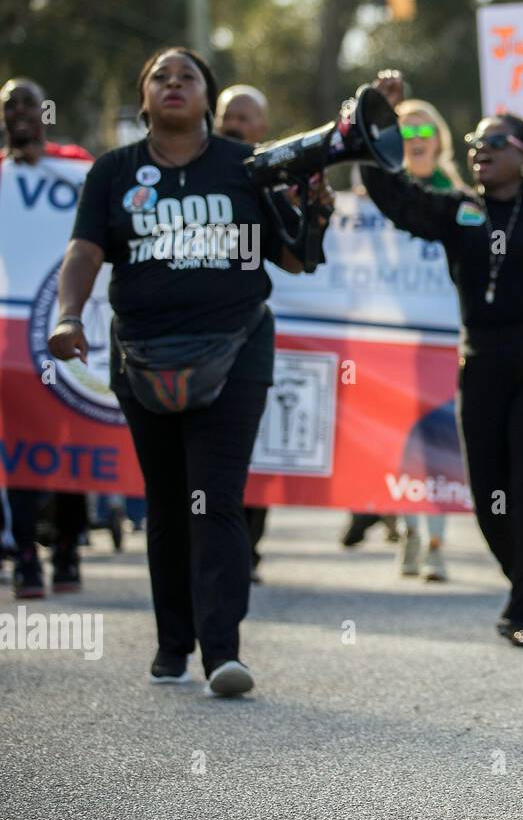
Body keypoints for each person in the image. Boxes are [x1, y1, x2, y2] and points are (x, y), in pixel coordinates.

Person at [48, 46, 332, 696]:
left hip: (236, 351)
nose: (174, 84)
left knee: (216, 496)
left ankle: (221, 653)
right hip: (142, 356)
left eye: (188, 77)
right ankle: (172, 642)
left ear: (209, 97)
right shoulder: (112, 171)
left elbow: (293, 260)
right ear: (143, 98)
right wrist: (68, 316)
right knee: (169, 502)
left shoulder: (246, 168)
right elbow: (85, 250)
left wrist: (313, 208)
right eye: (160, 77)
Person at [360, 71, 523, 647]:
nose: (480, 150)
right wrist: (376, 121)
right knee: (488, 493)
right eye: (475, 143)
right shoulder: (458, 212)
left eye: (495, 142)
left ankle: (521, 607)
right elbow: (391, 195)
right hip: (480, 364)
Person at [1, 77, 93, 598]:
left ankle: (67, 547)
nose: (18, 113)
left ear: (45, 113)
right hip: (11, 335)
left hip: (64, 326)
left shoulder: (74, 164)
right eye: (9, 106)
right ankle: (26, 559)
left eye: (28, 105)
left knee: (70, 441)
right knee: (21, 447)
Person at [385, 96, 467, 581]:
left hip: (442, 343)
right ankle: (407, 527)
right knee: (394, 440)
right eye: (405, 133)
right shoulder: (378, 197)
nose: (415, 141)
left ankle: (435, 541)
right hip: (391, 345)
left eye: (423, 132)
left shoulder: (459, 197)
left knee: (436, 443)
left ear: (439, 140)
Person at [215, 83, 272, 583]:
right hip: (196, 342)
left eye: (244, 117)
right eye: (226, 116)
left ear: (263, 129)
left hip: (254, 340)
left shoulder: (272, 180)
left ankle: (244, 550)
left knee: (252, 449)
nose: (233, 124)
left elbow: (298, 255)